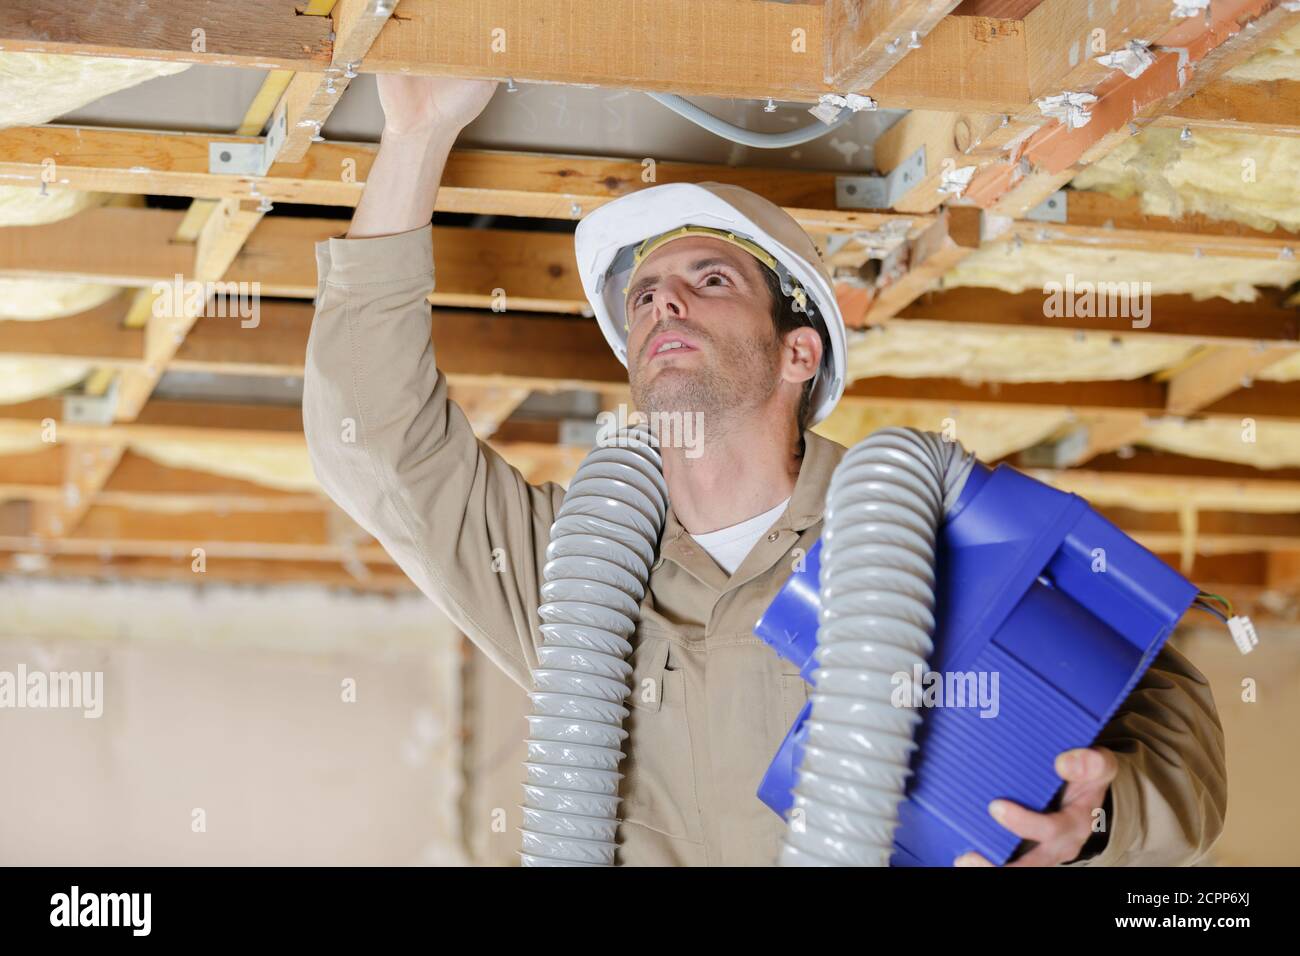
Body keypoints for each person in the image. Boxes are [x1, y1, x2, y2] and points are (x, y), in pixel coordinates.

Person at [302, 75, 1227, 866]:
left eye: (711, 280)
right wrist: (417, 131)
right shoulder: (566, 574)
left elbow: (1176, 739)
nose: (662, 297)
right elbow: (372, 435)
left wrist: (1096, 818)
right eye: (645, 296)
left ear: (798, 355)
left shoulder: (932, 541)